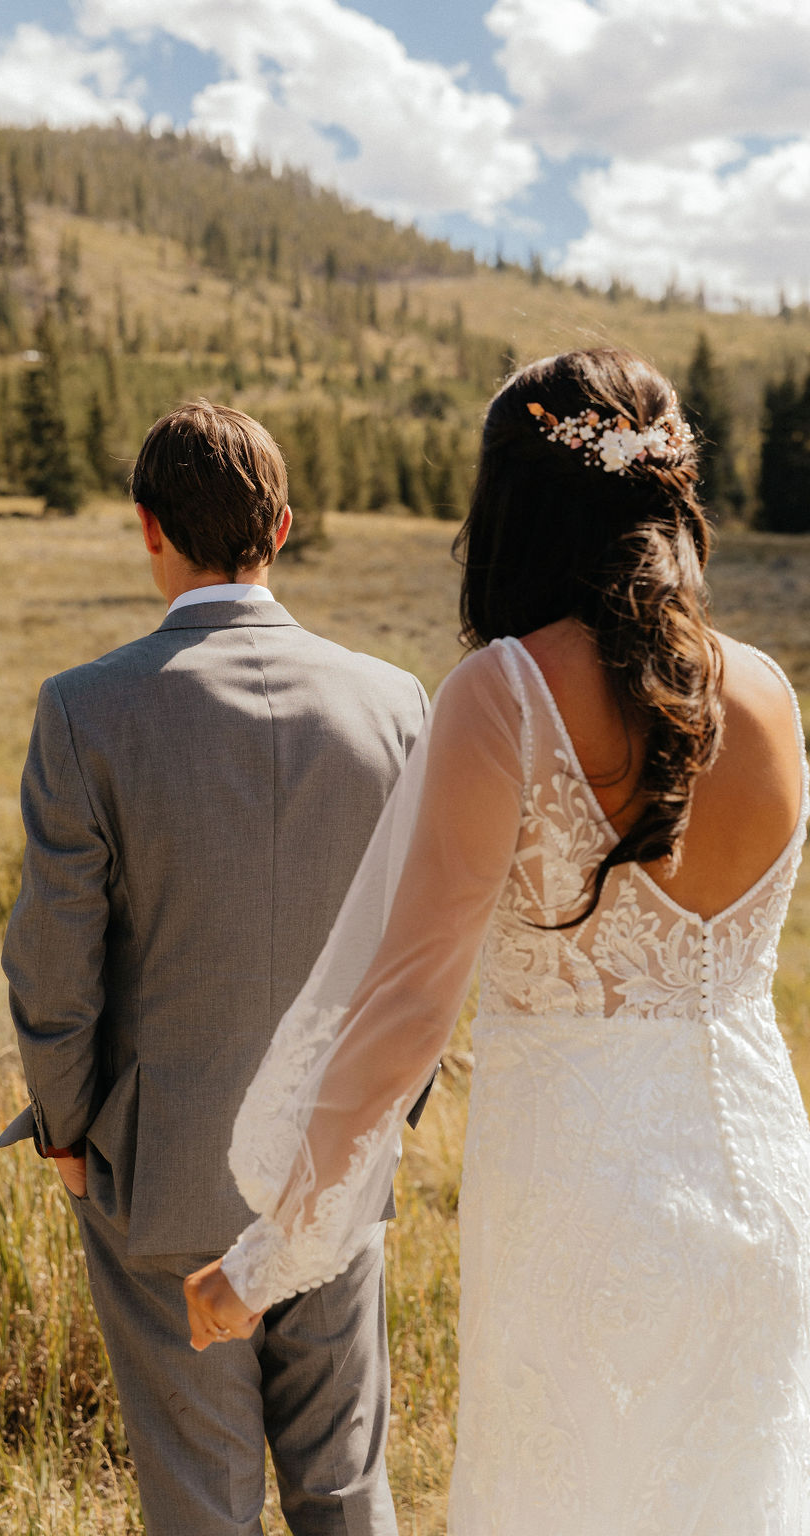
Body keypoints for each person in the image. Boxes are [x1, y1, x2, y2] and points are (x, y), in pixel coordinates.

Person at [185, 348, 810, 1533]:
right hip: (768, 1198)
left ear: (514, 507)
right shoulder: (773, 694)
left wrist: (267, 1261)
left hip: (582, 1205)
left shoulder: (506, 692)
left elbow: (408, 1009)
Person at [0, 399, 429, 1536]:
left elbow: (52, 961)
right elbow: (425, 943)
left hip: (161, 1172)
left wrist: (68, 1133)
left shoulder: (85, 710)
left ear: (147, 526)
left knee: (201, 1501)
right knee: (346, 1489)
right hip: (336, 1162)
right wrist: (387, 1119)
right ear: (280, 528)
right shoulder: (395, 702)